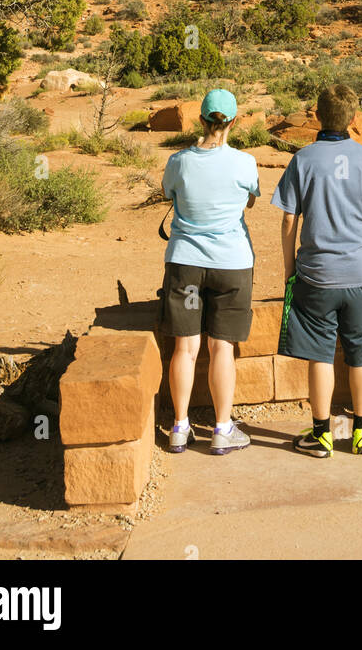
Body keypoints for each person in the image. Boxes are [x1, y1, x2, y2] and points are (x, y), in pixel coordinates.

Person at [272, 83, 362, 458]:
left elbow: (289, 220)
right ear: (354, 119)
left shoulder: (304, 160)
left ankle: (322, 433)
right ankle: (361, 431)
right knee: (360, 352)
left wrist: (290, 267)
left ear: (317, 117)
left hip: (317, 274)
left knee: (321, 355)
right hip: (360, 273)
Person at [158, 88, 259, 456]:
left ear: (200, 119)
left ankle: (180, 427)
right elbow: (249, 198)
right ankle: (221, 428)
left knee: (185, 348)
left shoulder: (179, 161)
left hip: (186, 263)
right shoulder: (245, 163)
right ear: (233, 122)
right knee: (222, 347)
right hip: (231, 265)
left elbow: (171, 193)